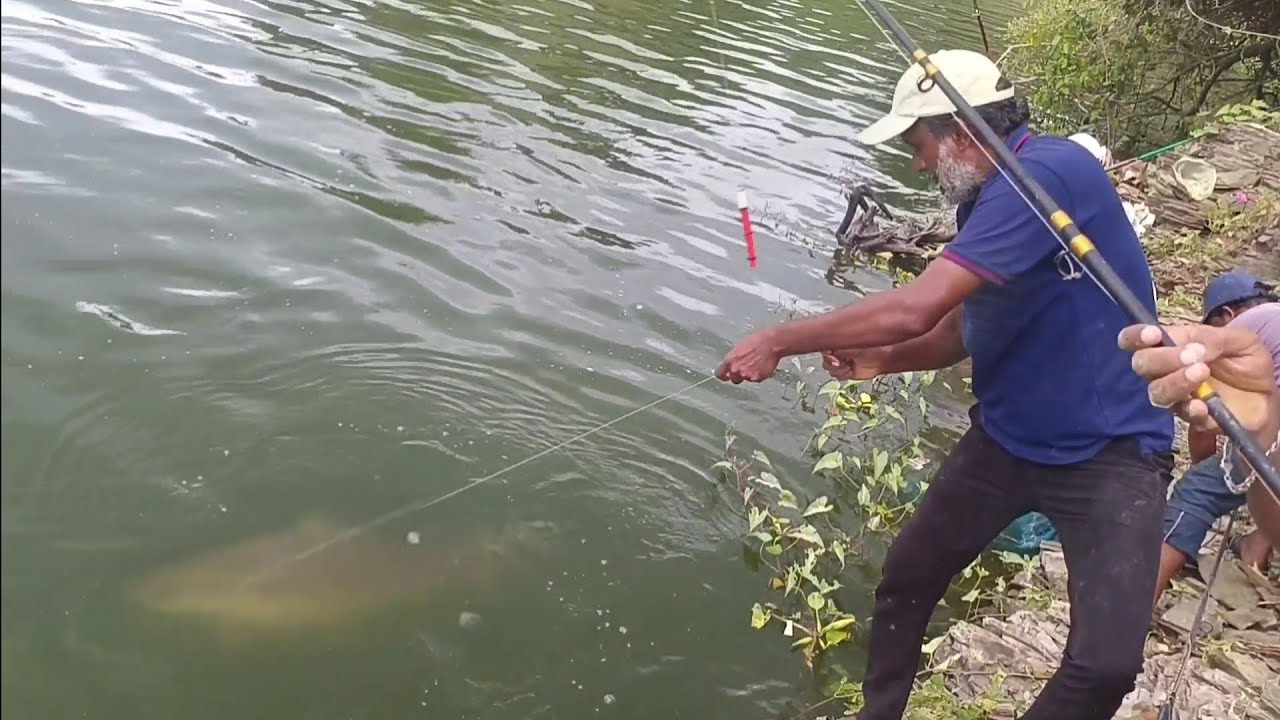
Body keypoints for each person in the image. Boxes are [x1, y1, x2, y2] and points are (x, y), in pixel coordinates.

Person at [715, 49, 1175, 720]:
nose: (918, 162)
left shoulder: (1047, 175)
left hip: (1110, 454)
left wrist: (780, 340)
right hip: (1007, 440)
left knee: (1106, 664)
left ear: (961, 131)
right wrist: (883, 361)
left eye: (919, 144)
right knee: (907, 578)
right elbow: (959, 330)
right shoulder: (986, 205)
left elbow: (914, 306)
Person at [1157, 272, 1279, 598]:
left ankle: (1133, 610)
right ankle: (1256, 549)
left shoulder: (1240, 331)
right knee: (1265, 479)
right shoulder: (1273, 323)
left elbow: (1204, 422)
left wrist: (1204, 470)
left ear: (1226, 315)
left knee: (1197, 493)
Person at [1119, 320, 1280, 554]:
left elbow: (1201, 434)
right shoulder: (1247, 339)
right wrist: (1260, 432)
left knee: (1196, 493)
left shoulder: (1248, 325)